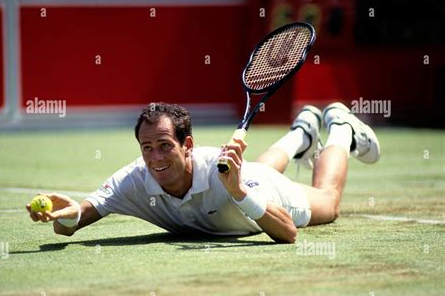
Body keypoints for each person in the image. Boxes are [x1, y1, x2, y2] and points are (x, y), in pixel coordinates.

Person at [26, 102, 380, 243]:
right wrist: (68, 214)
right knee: (259, 167)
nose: (155, 157)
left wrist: (239, 191)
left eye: (165, 145)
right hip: (248, 177)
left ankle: (340, 126)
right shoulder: (134, 179)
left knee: (329, 202)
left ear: (187, 144)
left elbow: (288, 232)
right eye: (146, 148)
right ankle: (301, 133)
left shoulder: (219, 172)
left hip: (261, 192)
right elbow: (68, 225)